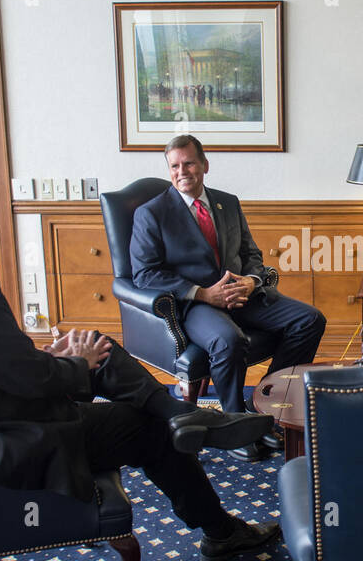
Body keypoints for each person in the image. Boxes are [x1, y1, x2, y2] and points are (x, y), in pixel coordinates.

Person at [0, 168, 280, 561]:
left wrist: (58, 355)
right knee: (148, 427)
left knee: (97, 345)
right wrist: (71, 363)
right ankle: (220, 527)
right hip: (10, 432)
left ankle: (183, 413)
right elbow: (29, 381)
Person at [129, 134, 327, 459]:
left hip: (241, 295)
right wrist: (204, 294)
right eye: (174, 166)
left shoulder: (227, 202)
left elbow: (251, 253)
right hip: (196, 304)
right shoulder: (152, 214)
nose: (182, 171)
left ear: (205, 165)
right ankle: (234, 425)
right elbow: (145, 274)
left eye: (189, 163)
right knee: (228, 341)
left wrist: (250, 281)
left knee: (309, 320)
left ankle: (265, 404)